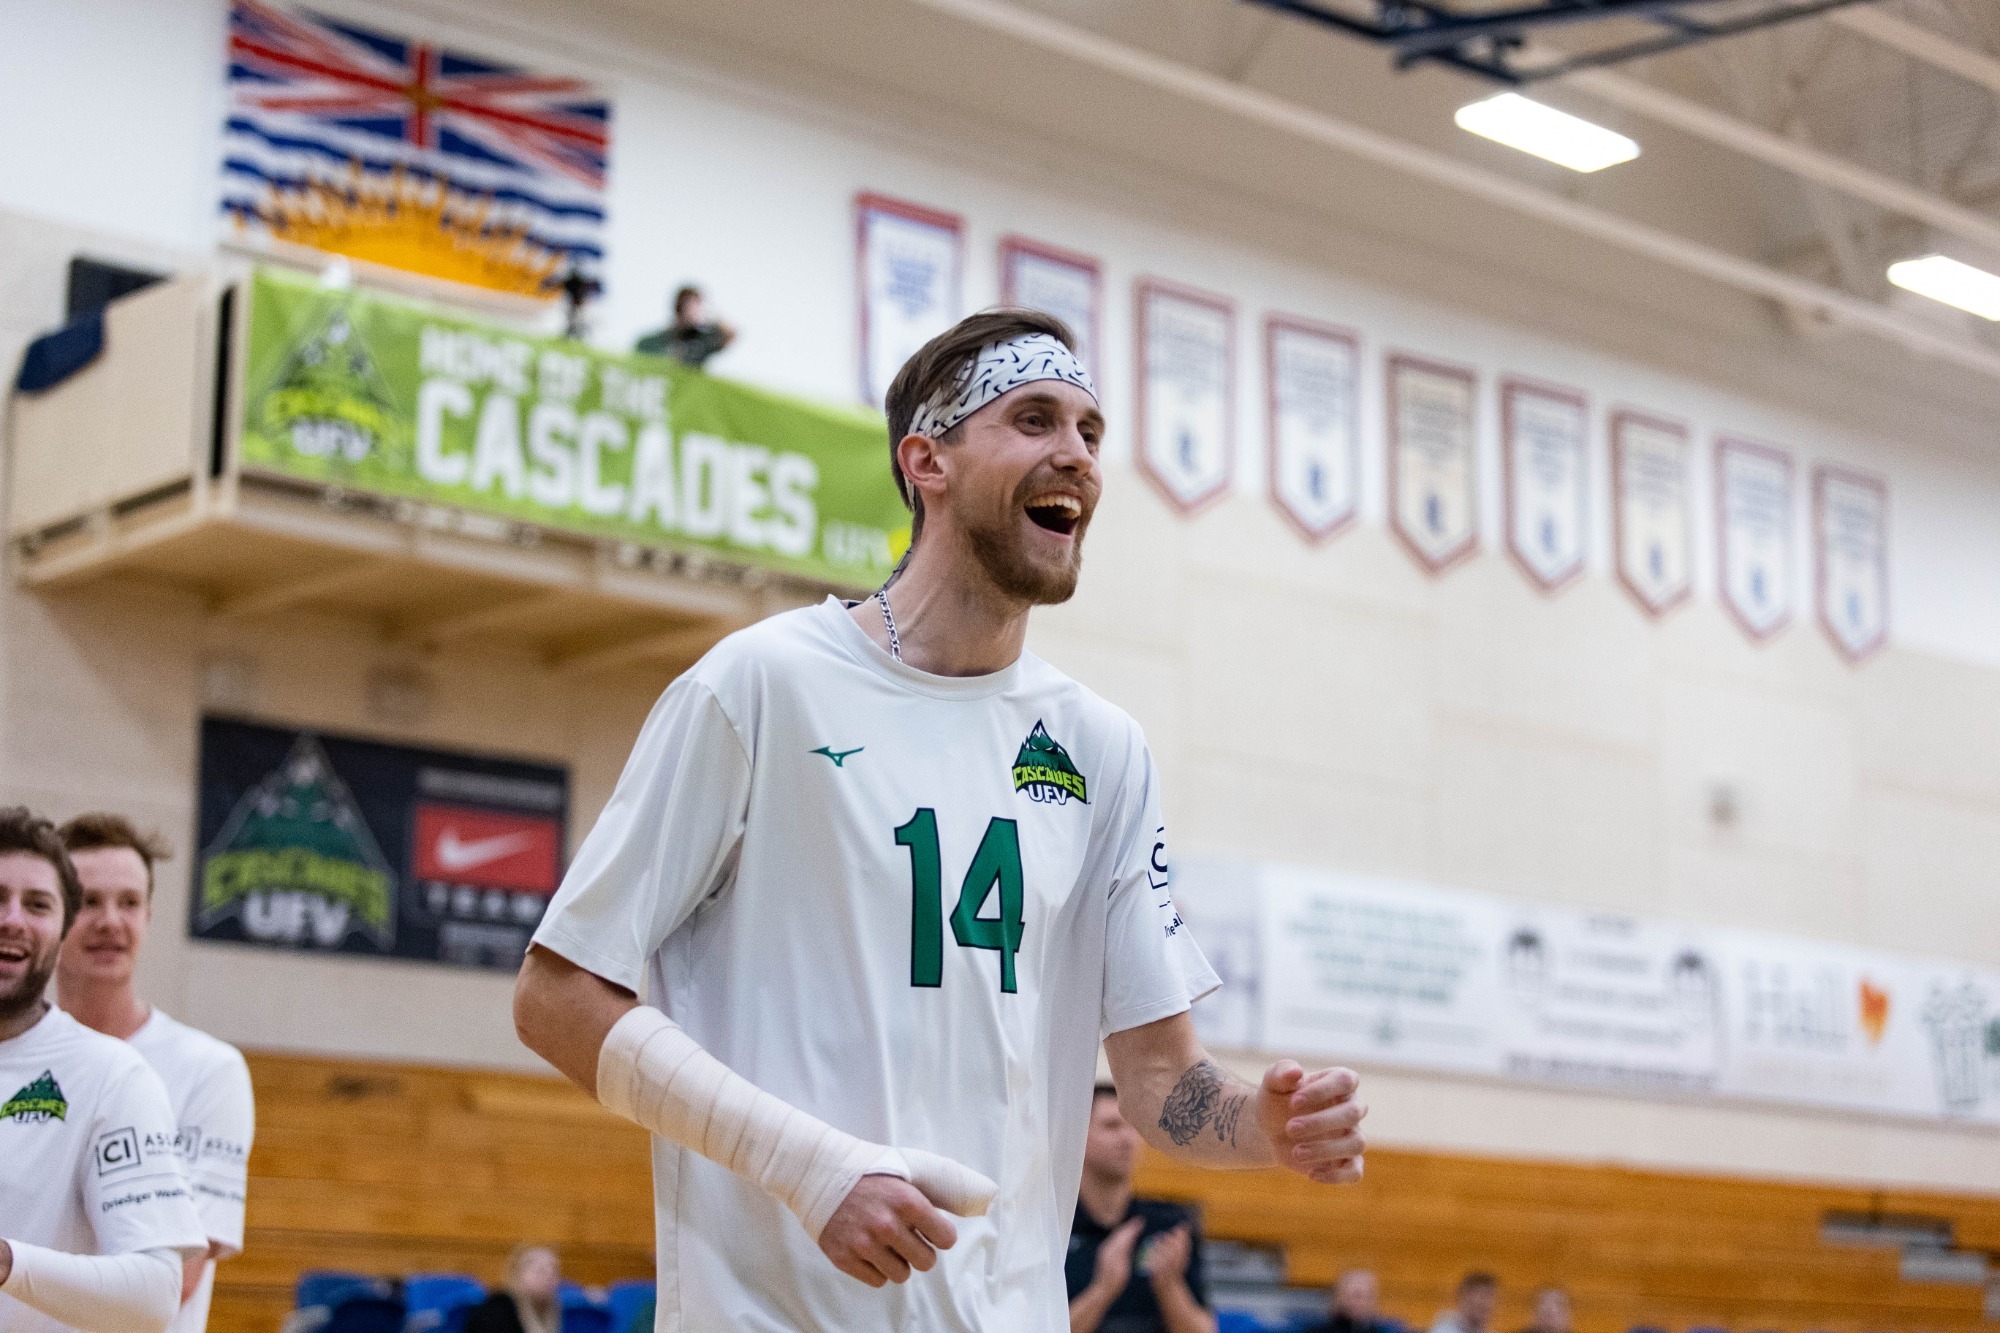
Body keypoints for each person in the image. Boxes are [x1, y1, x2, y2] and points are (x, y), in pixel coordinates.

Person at [513, 308, 1368, 1332]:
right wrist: (809, 1168)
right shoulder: (760, 685)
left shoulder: (1101, 748)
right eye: (1035, 419)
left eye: (1091, 432)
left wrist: (1259, 1124)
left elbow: (1157, 1082)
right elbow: (556, 994)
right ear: (927, 460)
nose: (1076, 455)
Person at [0, 806, 207, 1333]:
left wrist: (7, 1263)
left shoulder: (113, 1076)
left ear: (63, 926)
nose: (13, 919)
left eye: (38, 904)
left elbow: (157, 1294)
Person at [56, 814, 255, 1333]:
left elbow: (171, 1281)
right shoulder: (18, 1060)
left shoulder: (209, 1070)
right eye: (88, 901)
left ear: (148, 915)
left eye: (129, 902)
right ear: (51, 913)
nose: (110, 921)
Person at [1065, 1084, 1212, 1333]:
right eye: (1111, 1126)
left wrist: (1169, 1286)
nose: (1127, 1138)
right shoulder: (1055, 1228)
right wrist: (1103, 1289)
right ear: (1078, 1134)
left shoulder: (1167, 1226)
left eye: (1134, 1127)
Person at [463, 1245, 561, 1333]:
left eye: (554, 1270)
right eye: (540, 1271)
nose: (549, 1277)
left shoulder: (554, 1307)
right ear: (517, 1275)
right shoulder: (495, 1312)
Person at [633, 286, 734, 368]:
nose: (694, 312)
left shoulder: (700, 342)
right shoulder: (651, 342)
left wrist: (710, 316)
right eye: (689, 307)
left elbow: (730, 334)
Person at [1303, 1270, 1395, 1333]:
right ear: (1339, 1297)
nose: (1360, 1303)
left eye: (1367, 1296)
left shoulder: (1384, 1330)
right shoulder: (1318, 1330)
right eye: (1356, 1295)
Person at [1430, 1273, 1498, 1333]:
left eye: (1487, 1310)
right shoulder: (1444, 1329)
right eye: (1480, 1308)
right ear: (1464, 1299)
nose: (1488, 1304)